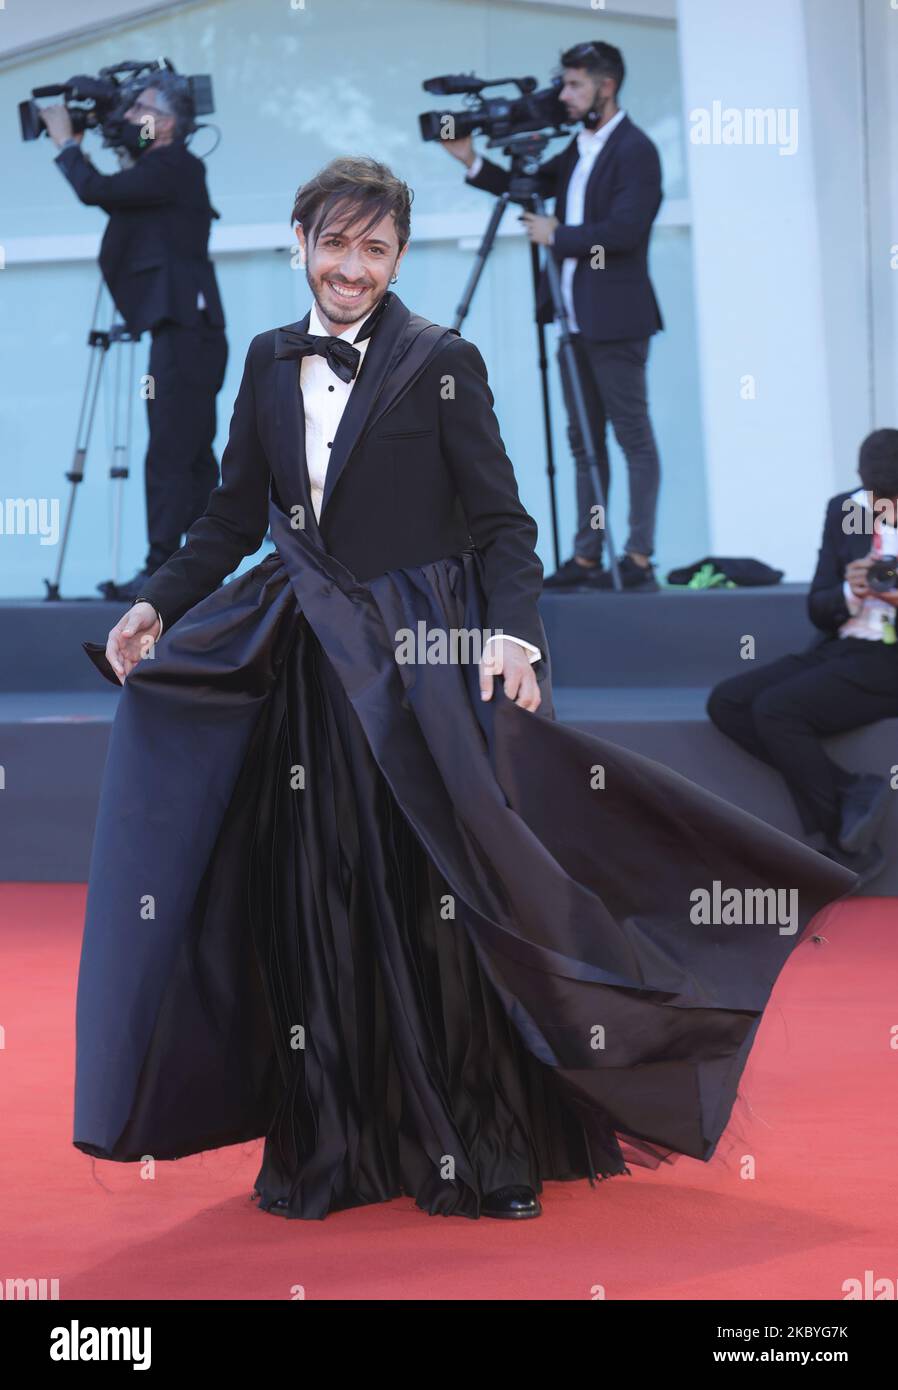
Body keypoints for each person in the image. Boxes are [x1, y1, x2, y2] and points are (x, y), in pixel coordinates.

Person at [76, 156, 854, 1224]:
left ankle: (480, 1145)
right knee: (319, 898)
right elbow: (229, 516)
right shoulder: (263, 361)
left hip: (422, 671)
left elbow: (504, 527)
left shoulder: (445, 361)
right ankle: (338, 1144)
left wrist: (516, 638)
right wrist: (158, 603)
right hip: (311, 674)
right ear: (299, 240)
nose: (351, 268)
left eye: (375, 248)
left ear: (399, 256)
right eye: (335, 244)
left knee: (446, 897)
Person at [443, 40, 663, 592]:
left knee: (631, 436)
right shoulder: (580, 147)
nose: (563, 95)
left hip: (616, 321)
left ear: (605, 87)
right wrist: (471, 160)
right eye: (564, 83)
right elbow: (532, 190)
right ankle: (587, 556)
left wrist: (559, 236)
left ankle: (637, 558)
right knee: (583, 442)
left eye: (574, 85)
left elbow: (626, 232)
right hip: (571, 321)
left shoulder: (636, 150)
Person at [46, 72, 228, 601]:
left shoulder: (174, 166)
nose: (127, 119)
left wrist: (65, 142)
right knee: (188, 452)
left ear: (167, 124)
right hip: (188, 334)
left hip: (186, 334)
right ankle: (192, 569)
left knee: (173, 452)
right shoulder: (165, 170)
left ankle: (163, 570)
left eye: (138, 110)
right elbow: (121, 196)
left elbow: (95, 190)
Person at [707, 429, 898, 891]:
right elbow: (817, 604)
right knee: (727, 702)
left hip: (890, 658)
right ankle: (851, 791)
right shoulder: (844, 510)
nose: (882, 507)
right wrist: (849, 591)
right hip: (844, 644)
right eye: (876, 499)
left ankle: (841, 847)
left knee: (777, 708)